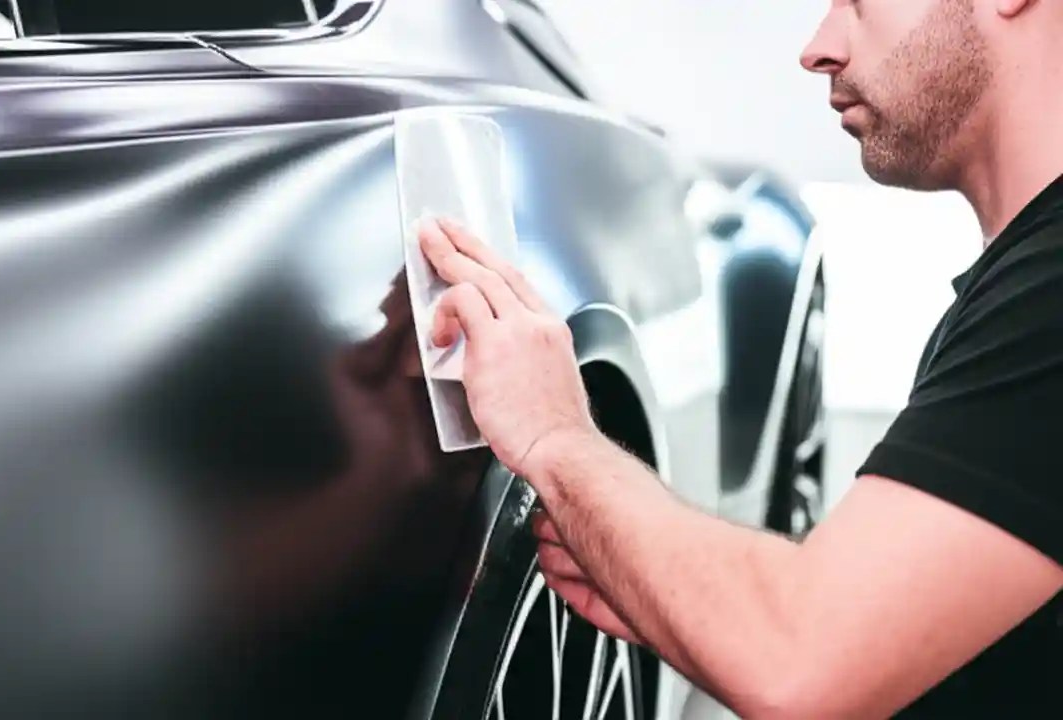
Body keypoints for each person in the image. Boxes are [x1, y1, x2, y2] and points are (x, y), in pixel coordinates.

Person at [415, 0, 1063, 716]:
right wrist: (691, 595)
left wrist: (554, 433)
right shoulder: (1022, 287)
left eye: (856, 1)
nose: (818, 49)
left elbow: (801, 662)